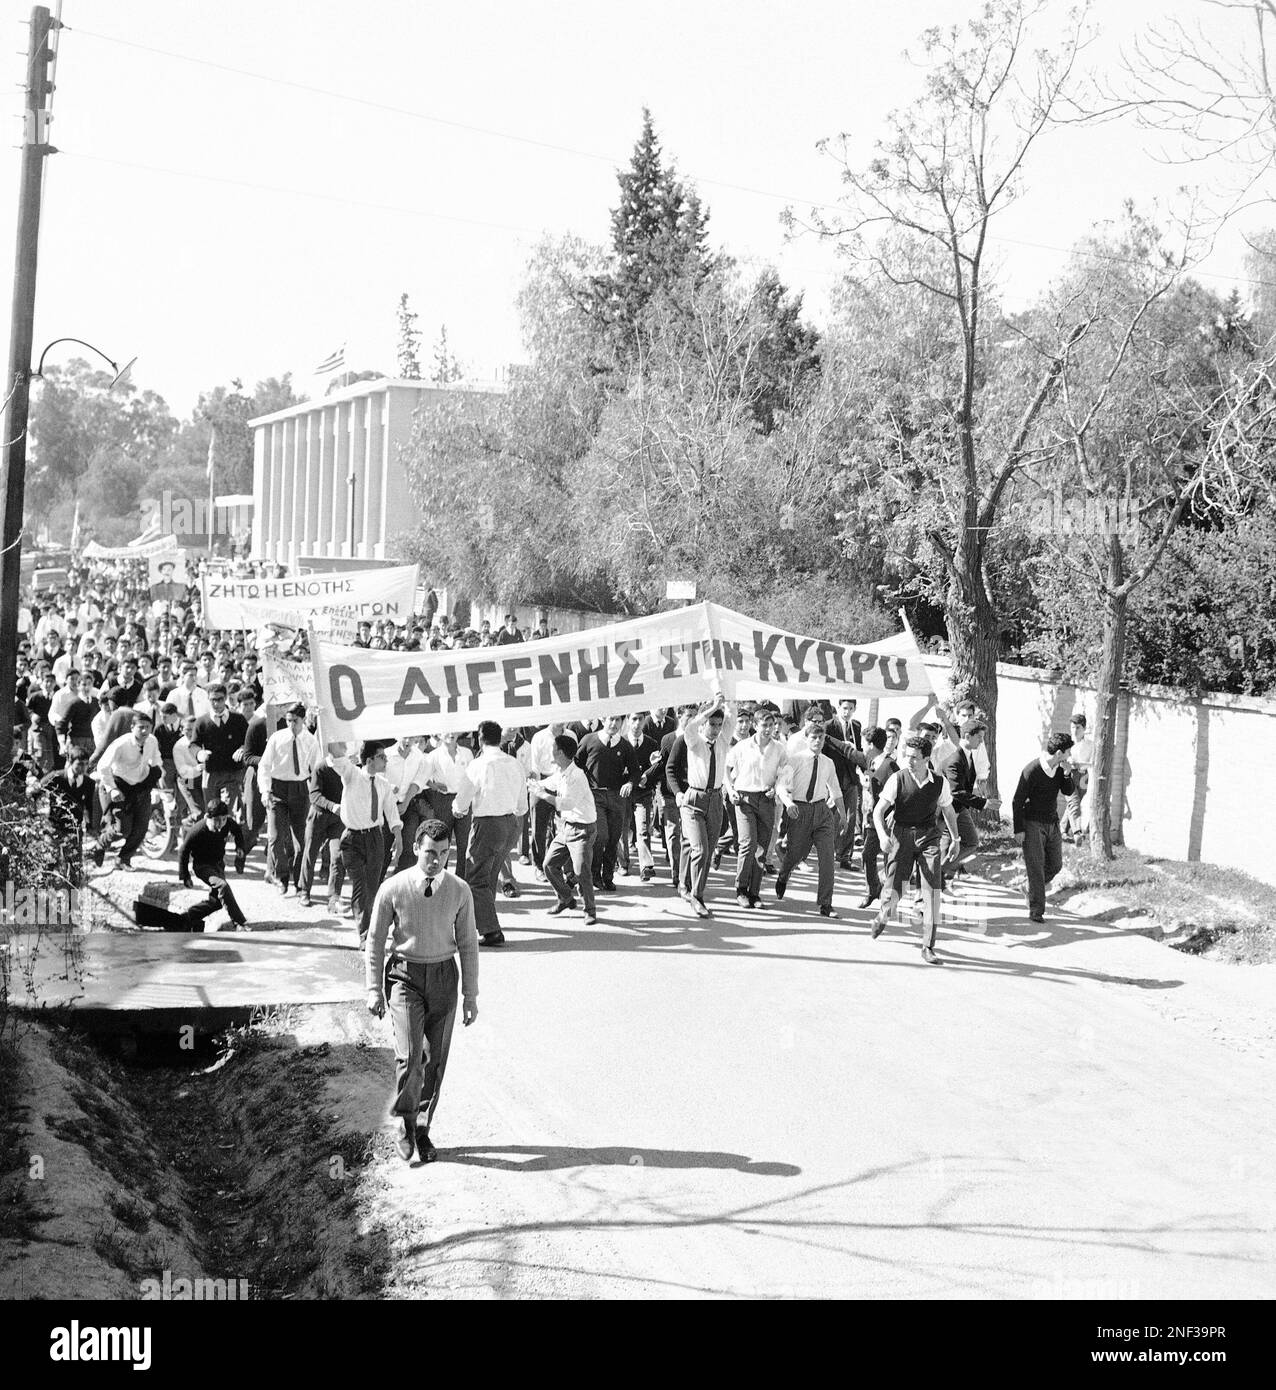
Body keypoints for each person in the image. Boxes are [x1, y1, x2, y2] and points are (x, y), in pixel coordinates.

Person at [366, 818, 479, 1164]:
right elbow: (375, 940)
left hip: (444, 975)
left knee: (435, 1061)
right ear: (416, 848)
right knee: (411, 1056)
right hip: (405, 977)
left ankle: (422, 1128)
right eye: (430, 852)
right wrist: (374, 989)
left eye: (444, 853)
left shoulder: (459, 890)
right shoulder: (393, 888)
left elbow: (468, 943)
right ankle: (405, 1124)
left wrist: (470, 995)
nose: (436, 860)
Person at [870, 734, 961, 964]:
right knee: (895, 888)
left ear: (927, 759)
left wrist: (955, 839)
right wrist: (882, 835)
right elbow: (878, 811)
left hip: (928, 837)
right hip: (901, 836)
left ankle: (928, 946)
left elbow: (948, 811)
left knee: (932, 890)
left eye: (914, 758)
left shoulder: (939, 783)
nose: (909, 761)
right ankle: (883, 915)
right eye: (907, 756)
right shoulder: (898, 779)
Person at [452, 720, 528, 948]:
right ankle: (485, 923)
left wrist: (458, 809)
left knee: (476, 878)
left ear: (480, 739)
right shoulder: (514, 763)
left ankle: (490, 929)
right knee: (490, 875)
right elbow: (522, 805)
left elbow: (462, 801)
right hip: (511, 823)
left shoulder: (478, 765)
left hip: (488, 823)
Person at [668, 696, 735, 919]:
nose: (715, 729)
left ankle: (689, 886)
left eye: (718, 725)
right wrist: (712, 707)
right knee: (700, 849)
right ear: (703, 723)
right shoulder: (693, 741)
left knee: (708, 850)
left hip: (715, 800)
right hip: (694, 800)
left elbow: (732, 717)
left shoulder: (723, 741)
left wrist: (726, 700)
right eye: (711, 724)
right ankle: (697, 897)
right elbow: (690, 727)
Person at [774, 716, 845, 917]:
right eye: (814, 737)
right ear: (806, 739)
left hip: (822, 812)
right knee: (795, 854)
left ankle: (826, 904)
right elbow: (780, 786)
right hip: (799, 810)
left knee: (827, 859)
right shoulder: (793, 760)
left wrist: (843, 815)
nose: (817, 741)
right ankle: (783, 875)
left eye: (821, 738)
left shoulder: (828, 762)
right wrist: (789, 804)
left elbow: (836, 790)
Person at [334, 741, 403, 945]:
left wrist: (398, 837)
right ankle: (365, 935)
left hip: (375, 838)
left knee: (372, 887)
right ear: (370, 760)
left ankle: (371, 928)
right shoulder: (352, 775)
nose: (386, 760)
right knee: (361, 886)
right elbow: (337, 757)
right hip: (353, 839)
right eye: (382, 757)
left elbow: (391, 812)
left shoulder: (383, 784)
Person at [724, 704, 787, 909]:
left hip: (766, 800)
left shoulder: (779, 749)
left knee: (761, 847)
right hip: (745, 799)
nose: (768, 729)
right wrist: (730, 789)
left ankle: (755, 893)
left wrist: (776, 788)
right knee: (748, 844)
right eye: (764, 725)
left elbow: (783, 774)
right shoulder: (742, 747)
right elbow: (726, 768)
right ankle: (741, 889)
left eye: (771, 725)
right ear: (755, 725)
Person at [533, 733, 598, 925]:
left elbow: (567, 803)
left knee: (581, 871)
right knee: (549, 865)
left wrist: (542, 795)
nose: (551, 751)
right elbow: (549, 782)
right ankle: (565, 899)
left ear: (560, 753)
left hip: (583, 830)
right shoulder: (562, 772)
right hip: (567, 827)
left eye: (553, 749)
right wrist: (534, 784)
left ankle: (590, 910)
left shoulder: (576, 775)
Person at [257, 702, 321, 895]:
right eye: (288, 720)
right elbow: (264, 765)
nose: (291, 725)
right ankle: (281, 876)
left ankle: (299, 880)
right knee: (275, 837)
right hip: (278, 789)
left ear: (303, 720)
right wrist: (265, 791)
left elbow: (316, 769)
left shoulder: (310, 741)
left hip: (300, 790)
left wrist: (316, 793)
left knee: (301, 840)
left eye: (295, 721)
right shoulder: (277, 738)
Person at [1012, 732, 1076, 923]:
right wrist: (1018, 829)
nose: (1069, 756)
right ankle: (1036, 911)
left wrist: (1067, 774)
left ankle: (1029, 888)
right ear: (1059, 753)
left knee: (1055, 865)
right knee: (1036, 867)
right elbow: (1017, 801)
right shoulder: (1032, 770)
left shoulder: (1060, 769)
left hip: (1052, 823)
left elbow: (1068, 790)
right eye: (1068, 752)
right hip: (1032, 823)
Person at [574, 714, 639, 893]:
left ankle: (608, 877)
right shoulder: (589, 740)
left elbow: (635, 771)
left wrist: (630, 783)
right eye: (611, 719)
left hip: (617, 797)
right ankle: (594, 874)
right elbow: (576, 764)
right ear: (603, 719)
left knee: (613, 838)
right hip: (594, 795)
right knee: (601, 836)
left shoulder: (624, 745)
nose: (614, 723)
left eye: (618, 720)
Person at [91, 710, 163, 870]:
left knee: (141, 827)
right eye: (140, 727)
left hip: (141, 787)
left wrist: (156, 775)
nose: (144, 731)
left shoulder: (152, 741)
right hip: (120, 786)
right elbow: (102, 766)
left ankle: (124, 859)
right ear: (132, 727)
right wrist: (112, 789)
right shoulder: (121, 744)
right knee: (122, 829)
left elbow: (156, 759)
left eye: (147, 727)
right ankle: (101, 843)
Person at [178, 799, 248, 930]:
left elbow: (237, 831)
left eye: (223, 819)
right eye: (216, 820)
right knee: (222, 886)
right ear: (208, 817)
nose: (220, 824)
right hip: (202, 866)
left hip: (218, 865)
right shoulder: (198, 830)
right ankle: (239, 922)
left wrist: (240, 847)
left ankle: (187, 918)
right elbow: (183, 851)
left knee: (216, 903)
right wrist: (185, 876)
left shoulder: (227, 823)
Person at [300, 742, 346, 910]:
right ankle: (304, 891)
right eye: (339, 744)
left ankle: (334, 897)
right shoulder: (321, 767)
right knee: (310, 853)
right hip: (318, 816)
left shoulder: (348, 768)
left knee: (338, 855)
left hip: (338, 819)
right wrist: (332, 806)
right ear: (330, 747)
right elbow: (314, 795)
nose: (344, 747)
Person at [857, 726, 896, 910]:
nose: (862, 747)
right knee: (867, 854)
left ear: (871, 744)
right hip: (874, 819)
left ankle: (888, 898)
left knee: (890, 860)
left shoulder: (889, 765)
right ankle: (873, 890)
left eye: (864, 743)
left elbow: (901, 790)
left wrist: (895, 812)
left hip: (889, 820)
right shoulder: (872, 761)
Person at [1061, 713, 1092, 842]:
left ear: (1084, 728)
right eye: (1073, 727)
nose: (1075, 730)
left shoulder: (1090, 744)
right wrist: (1069, 762)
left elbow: (1093, 762)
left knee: (1075, 803)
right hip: (1069, 774)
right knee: (1073, 802)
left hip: (1084, 776)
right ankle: (1077, 832)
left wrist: (1081, 764)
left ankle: (1062, 830)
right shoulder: (1067, 743)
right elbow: (1061, 758)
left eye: (1078, 727)